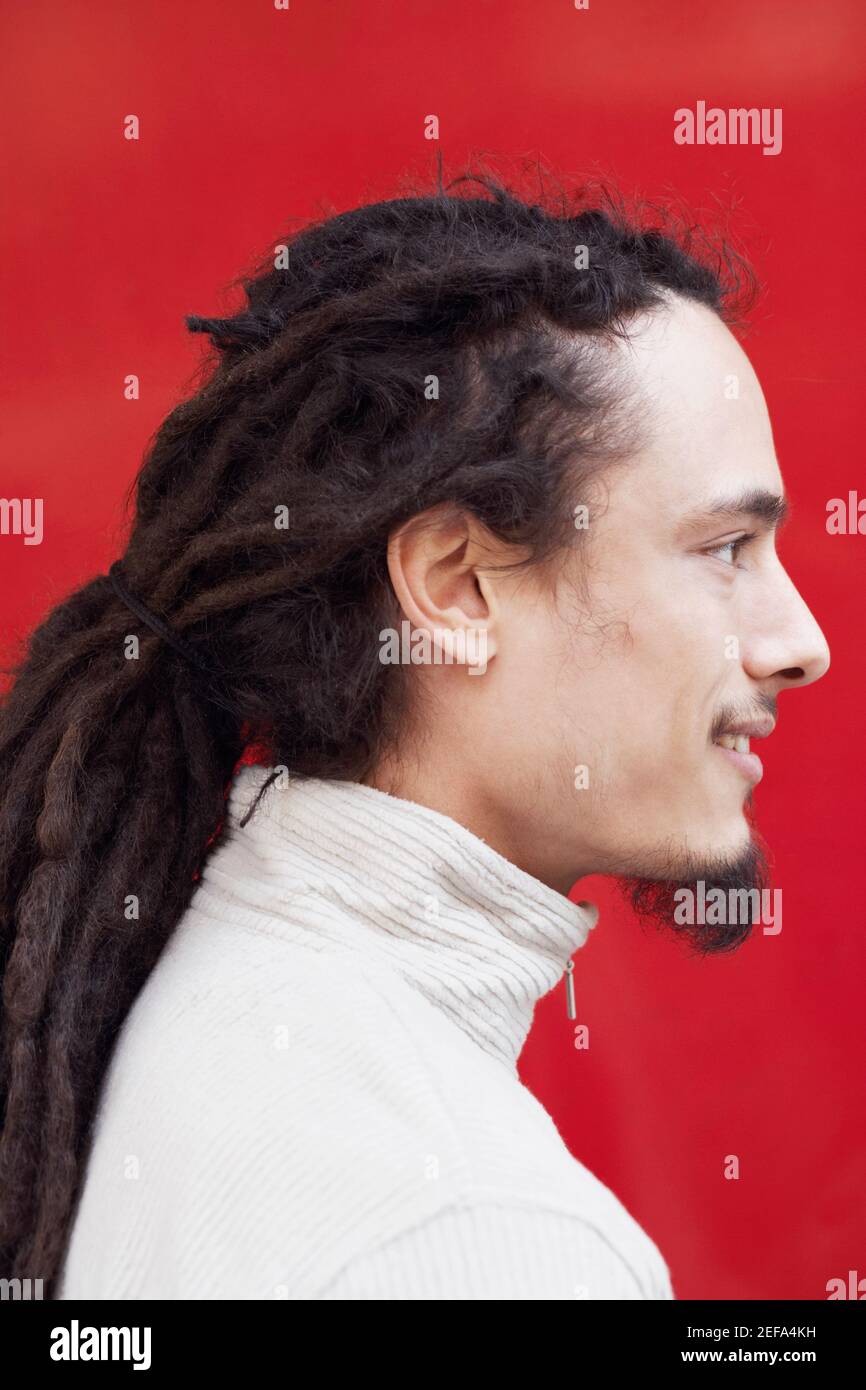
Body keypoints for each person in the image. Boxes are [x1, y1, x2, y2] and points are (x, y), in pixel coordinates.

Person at [0, 172, 830, 1300]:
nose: (799, 641)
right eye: (725, 546)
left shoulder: (209, 999)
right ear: (455, 586)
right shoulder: (480, 1234)